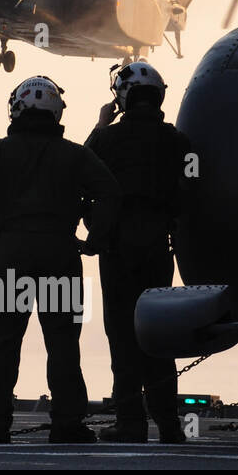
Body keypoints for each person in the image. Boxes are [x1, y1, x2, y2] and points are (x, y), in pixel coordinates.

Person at [0, 77, 120, 444]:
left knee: (1, 343)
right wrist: (94, 239)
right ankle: (67, 423)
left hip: (9, 255)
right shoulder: (76, 155)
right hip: (60, 255)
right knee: (62, 342)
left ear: (16, 109)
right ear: (57, 111)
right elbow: (108, 191)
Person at [86, 61, 191, 444]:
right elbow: (192, 187)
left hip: (117, 249)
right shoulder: (178, 142)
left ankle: (130, 422)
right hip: (159, 249)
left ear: (123, 97)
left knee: (123, 336)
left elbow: (82, 171)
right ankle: (168, 424)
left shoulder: (107, 140)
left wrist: (100, 125)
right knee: (159, 337)